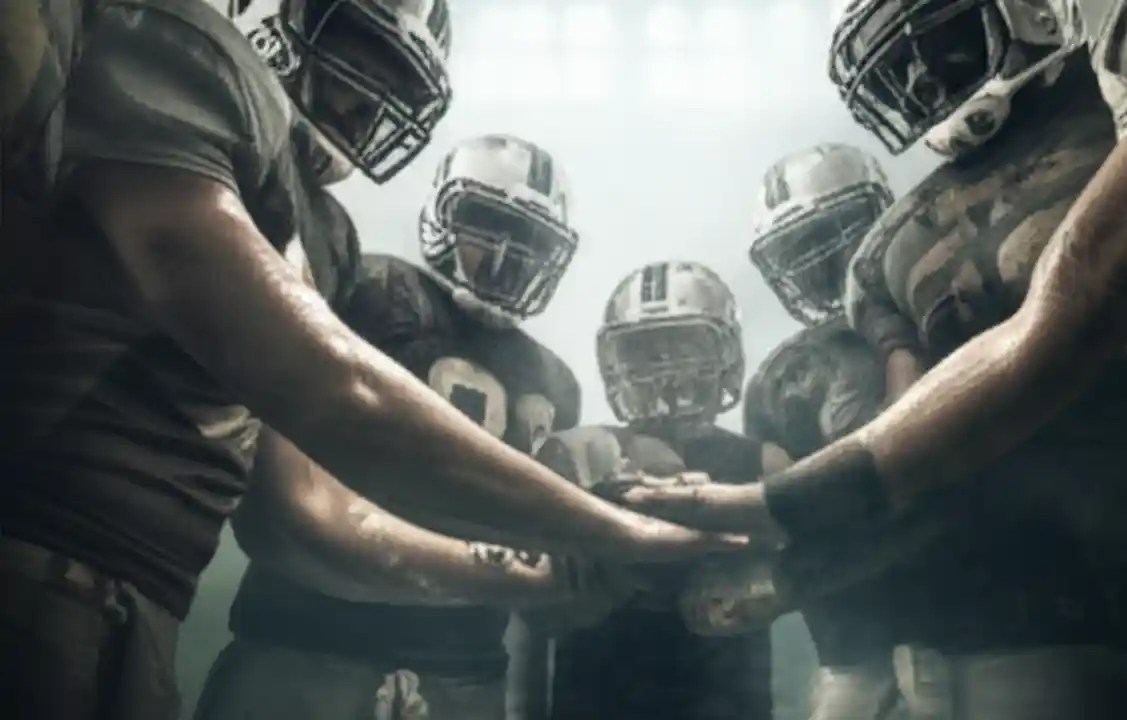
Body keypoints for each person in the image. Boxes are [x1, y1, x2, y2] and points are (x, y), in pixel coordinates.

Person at [0, 1, 728, 717]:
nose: (366, 99)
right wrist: (604, 532)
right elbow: (337, 396)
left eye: (396, 83)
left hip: (138, 597)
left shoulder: (320, 228)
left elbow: (311, 509)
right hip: (47, 567)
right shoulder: (183, 55)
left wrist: (539, 572)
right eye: (356, 50)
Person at [630, 0, 1127, 717]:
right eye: (896, 69)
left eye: (935, 46)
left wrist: (786, 545)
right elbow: (936, 445)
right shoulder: (885, 257)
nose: (916, 83)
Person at [196, 134, 635, 720]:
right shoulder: (374, 289)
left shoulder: (554, 381)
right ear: (444, 214)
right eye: (484, 222)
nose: (505, 252)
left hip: (460, 663)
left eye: (528, 238)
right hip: (310, 640)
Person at [514, 261, 787, 720]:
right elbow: (530, 614)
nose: (663, 367)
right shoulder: (574, 456)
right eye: (643, 349)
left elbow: (819, 569)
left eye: (681, 344)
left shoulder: (764, 464)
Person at [742, 143, 895, 719]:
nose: (826, 258)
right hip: (851, 635)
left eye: (837, 232)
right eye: (803, 247)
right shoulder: (774, 382)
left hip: (983, 609)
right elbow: (783, 521)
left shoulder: (931, 309)